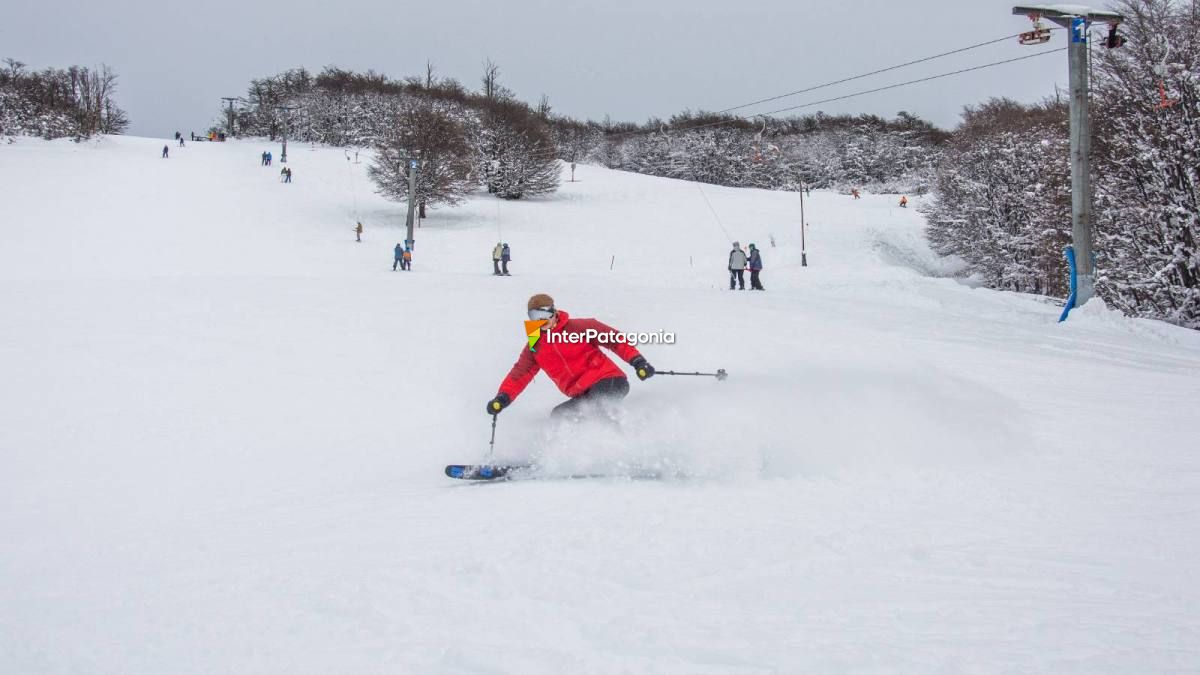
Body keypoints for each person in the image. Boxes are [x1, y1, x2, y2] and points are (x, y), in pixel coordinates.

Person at [486, 294, 655, 421]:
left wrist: (638, 362)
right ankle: (573, 459)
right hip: (582, 394)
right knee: (560, 417)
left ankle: (623, 450)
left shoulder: (579, 327)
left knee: (598, 408)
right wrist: (503, 397)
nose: (541, 321)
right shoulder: (535, 346)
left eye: (544, 315)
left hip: (608, 381)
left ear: (554, 312)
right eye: (534, 317)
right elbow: (519, 375)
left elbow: (615, 340)